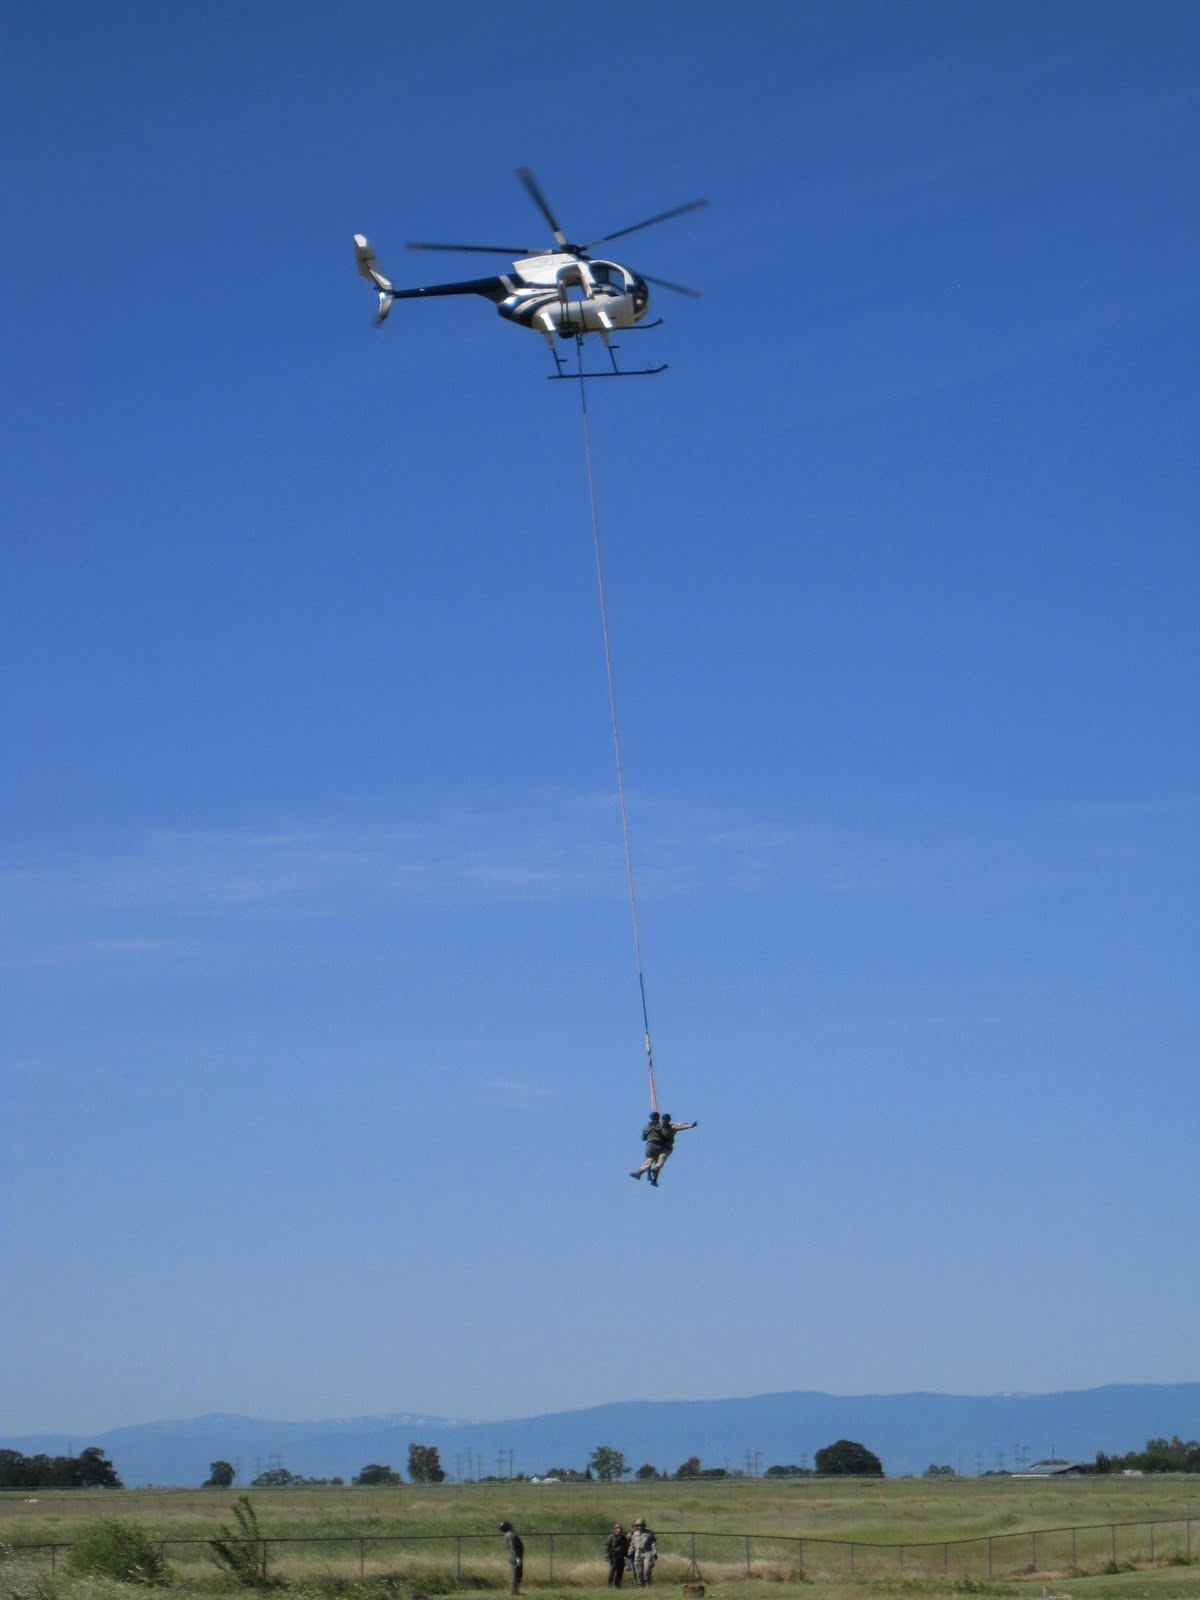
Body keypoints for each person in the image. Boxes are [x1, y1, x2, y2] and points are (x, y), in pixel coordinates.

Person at [649, 1112, 697, 1184]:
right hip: (658, 1146)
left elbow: (681, 1127)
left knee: (660, 1160)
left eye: (666, 1120)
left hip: (666, 1148)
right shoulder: (659, 1126)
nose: (665, 1121)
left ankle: (655, 1174)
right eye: (664, 1119)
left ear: (669, 1120)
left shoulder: (672, 1127)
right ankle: (652, 1177)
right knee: (651, 1160)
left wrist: (691, 1125)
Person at [630, 1112, 666, 1184]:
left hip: (650, 1146)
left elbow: (643, 1138)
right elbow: (666, 1135)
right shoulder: (662, 1126)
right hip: (659, 1146)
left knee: (649, 1160)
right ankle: (654, 1179)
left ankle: (648, 1175)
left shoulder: (646, 1127)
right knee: (657, 1164)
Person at [629, 1518, 657, 1587]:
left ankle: (648, 1584)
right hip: (638, 1553)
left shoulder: (649, 1533)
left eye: (640, 1525)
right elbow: (632, 1544)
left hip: (647, 1553)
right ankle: (640, 1586)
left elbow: (653, 1544)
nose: (638, 1526)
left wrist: (655, 1552)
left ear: (643, 1525)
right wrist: (629, 1553)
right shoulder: (634, 1534)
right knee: (638, 1571)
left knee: (646, 1570)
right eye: (637, 1525)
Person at [499, 1521, 524, 1595]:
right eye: (509, 1525)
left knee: (517, 1573)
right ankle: (514, 1591)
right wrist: (518, 1557)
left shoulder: (508, 1534)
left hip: (513, 1556)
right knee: (516, 1574)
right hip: (515, 1557)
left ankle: (515, 1590)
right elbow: (513, 1547)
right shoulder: (511, 1535)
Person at [606, 1522, 631, 1587]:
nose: (619, 1529)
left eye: (620, 1528)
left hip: (621, 1556)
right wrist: (607, 1556)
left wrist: (626, 1556)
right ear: (615, 1529)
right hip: (614, 1556)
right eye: (617, 1527)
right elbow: (607, 1547)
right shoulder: (611, 1537)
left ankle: (617, 1585)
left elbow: (626, 1546)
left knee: (620, 1571)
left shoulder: (623, 1537)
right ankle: (609, 1585)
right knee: (612, 1570)